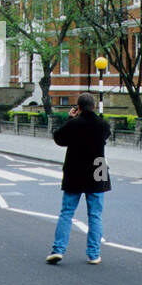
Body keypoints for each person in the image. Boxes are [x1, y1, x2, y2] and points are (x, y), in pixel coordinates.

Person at [46, 92, 111, 265]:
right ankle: (94, 254)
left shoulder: (74, 124)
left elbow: (59, 138)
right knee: (95, 215)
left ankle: (58, 250)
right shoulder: (103, 124)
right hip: (98, 170)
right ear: (94, 107)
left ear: (78, 107)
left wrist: (69, 119)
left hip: (75, 171)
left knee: (66, 213)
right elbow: (106, 136)